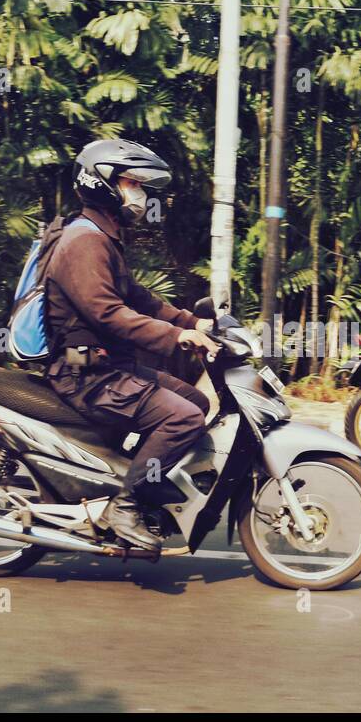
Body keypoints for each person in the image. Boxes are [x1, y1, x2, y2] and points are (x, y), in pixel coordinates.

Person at [42, 139, 220, 550]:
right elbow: (109, 314)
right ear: (103, 183)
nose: (138, 192)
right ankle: (126, 504)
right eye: (130, 182)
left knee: (197, 402)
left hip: (108, 368)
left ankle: (139, 479)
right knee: (182, 419)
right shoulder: (84, 242)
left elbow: (142, 301)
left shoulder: (101, 238)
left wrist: (198, 322)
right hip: (85, 374)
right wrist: (178, 337)